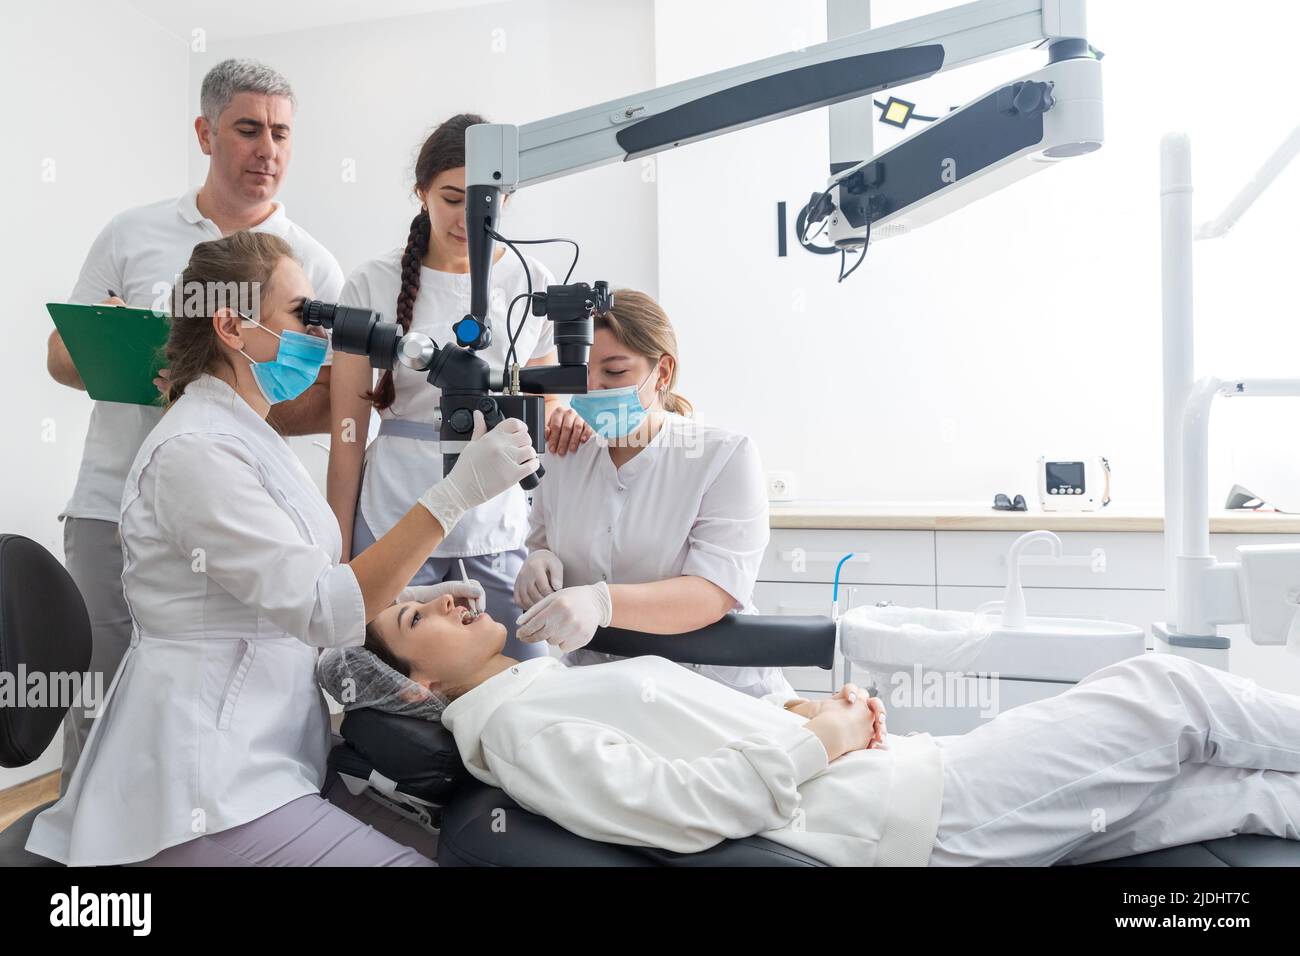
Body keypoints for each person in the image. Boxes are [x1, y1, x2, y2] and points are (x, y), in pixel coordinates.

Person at [26, 232, 539, 867]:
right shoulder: (195, 453)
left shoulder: (250, 433)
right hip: (206, 786)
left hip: (273, 751)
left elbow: (299, 582)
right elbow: (321, 608)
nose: (321, 334)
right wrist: (455, 495)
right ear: (231, 327)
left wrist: (408, 597)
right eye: (303, 314)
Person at [322, 597, 1300, 867]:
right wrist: (820, 738)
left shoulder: (540, 688)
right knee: (1171, 696)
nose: (453, 592)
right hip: (913, 812)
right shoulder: (516, 732)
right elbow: (677, 807)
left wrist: (795, 716)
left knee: (1241, 794)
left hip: (897, 783)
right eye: (420, 615)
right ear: (417, 682)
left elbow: (693, 751)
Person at [44, 58, 344, 791]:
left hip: (230, 511)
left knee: (216, 696)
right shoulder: (134, 231)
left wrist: (210, 387)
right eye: (247, 129)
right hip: (110, 503)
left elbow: (325, 398)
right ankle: (80, 837)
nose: (266, 150)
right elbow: (60, 356)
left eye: (280, 133)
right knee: (98, 694)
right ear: (206, 132)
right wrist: (139, 359)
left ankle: (198, 829)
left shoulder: (314, 267)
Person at [328, 114, 572, 659]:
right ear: (421, 194)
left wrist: (551, 531)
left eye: (485, 199)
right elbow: (347, 431)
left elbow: (547, 405)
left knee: (518, 677)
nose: (468, 216)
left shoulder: (534, 280)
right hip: (395, 510)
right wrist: (339, 553)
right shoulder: (372, 281)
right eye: (452, 198)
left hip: (499, 517)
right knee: (398, 690)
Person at [513, 290, 793, 698]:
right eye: (584, 376)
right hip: (597, 686)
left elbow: (711, 592)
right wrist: (538, 561)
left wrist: (601, 602)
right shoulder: (566, 455)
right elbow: (541, 540)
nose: (594, 390)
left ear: (662, 372)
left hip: (709, 687)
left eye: (614, 373)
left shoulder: (723, 456)